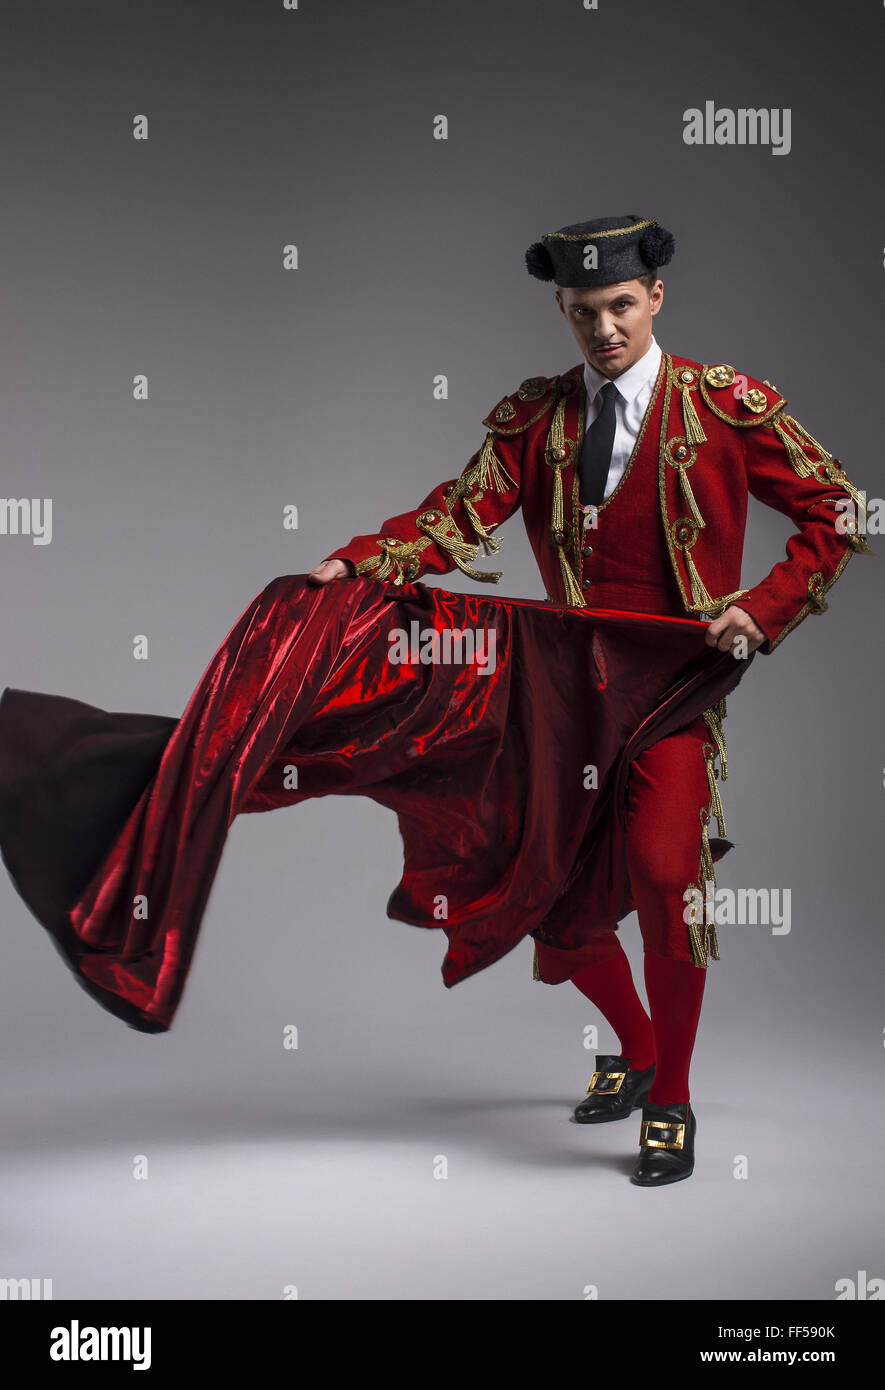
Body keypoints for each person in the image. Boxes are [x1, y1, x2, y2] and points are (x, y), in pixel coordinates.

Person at [306, 214, 871, 1185]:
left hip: (670, 687)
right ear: (563, 313)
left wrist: (764, 608)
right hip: (561, 697)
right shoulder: (536, 418)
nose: (604, 327)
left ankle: (672, 1096)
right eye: (582, 313)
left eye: (619, 305)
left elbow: (839, 508)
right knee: (554, 915)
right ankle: (641, 1046)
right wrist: (360, 560)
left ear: (655, 296)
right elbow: (457, 515)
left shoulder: (726, 406)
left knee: (664, 877)